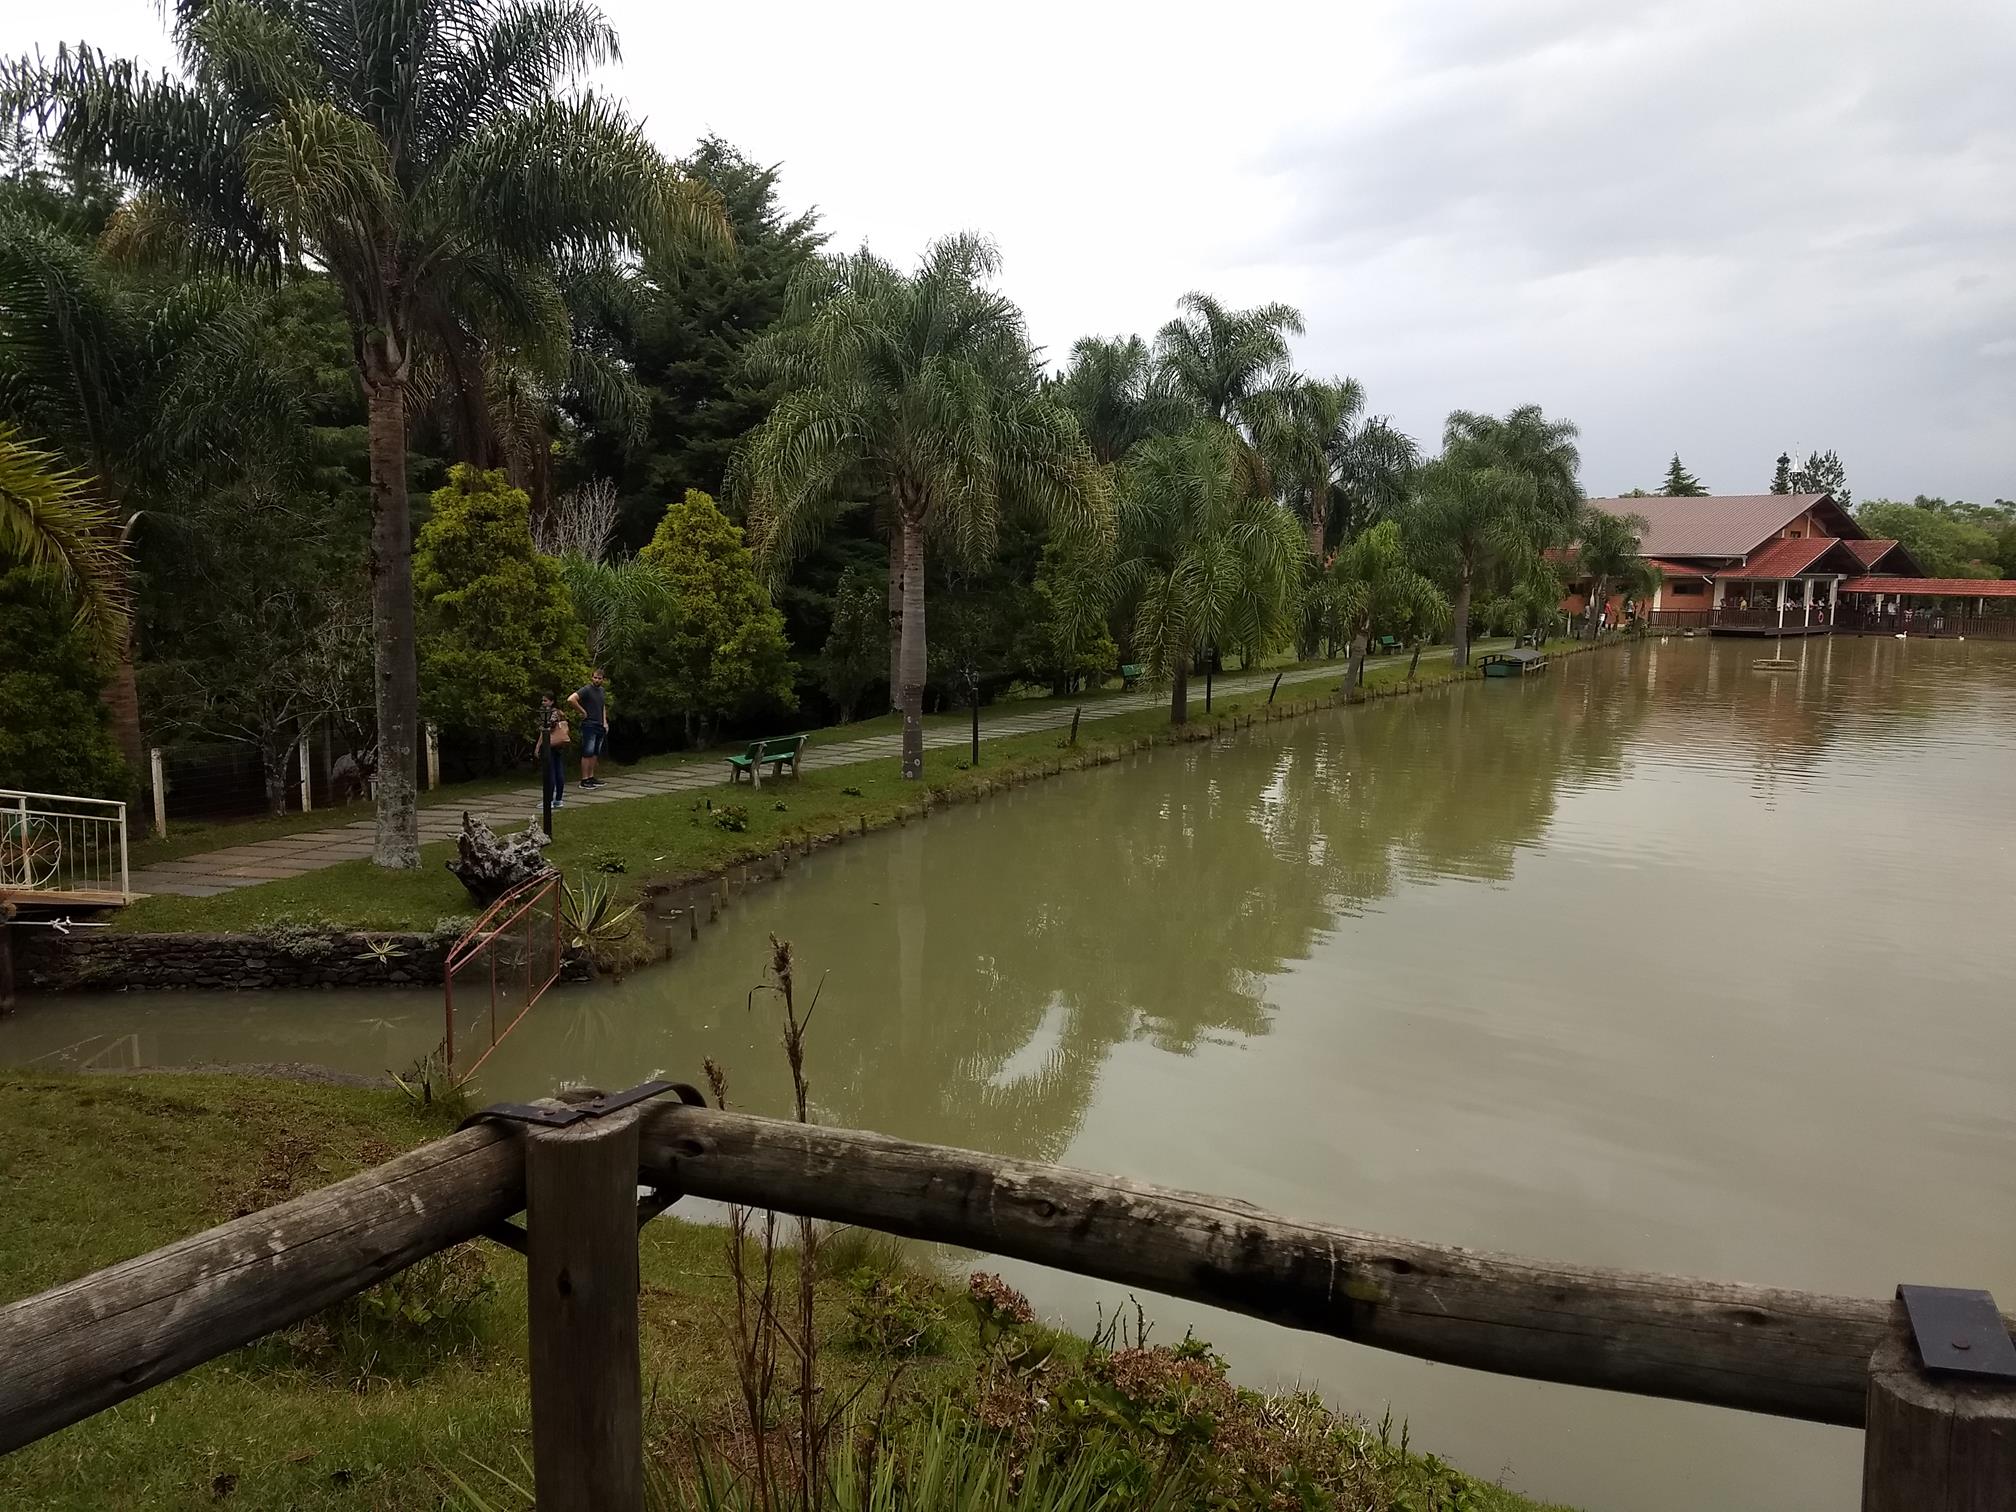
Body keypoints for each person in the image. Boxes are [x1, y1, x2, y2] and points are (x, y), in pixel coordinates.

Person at [568, 669, 609, 789]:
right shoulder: (586, 689)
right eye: (595, 677)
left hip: (599, 724)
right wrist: (582, 711)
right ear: (592, 678)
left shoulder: (601, 691)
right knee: (588, 752)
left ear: (603, 680)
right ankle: (584, 779)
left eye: (599, 678)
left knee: (595, 752)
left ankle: (591, 777)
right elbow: (571, 699)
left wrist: (604, 721)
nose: (597, 680)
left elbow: (602, 706)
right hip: (589, 724)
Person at [537, 693, 570, 810]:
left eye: (545, 701)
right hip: (559, 745)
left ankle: (549, 800)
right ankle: (558, 799)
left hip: (550, 745)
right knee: (558, 771)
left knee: (550, 773)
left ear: (552, 702)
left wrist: (538, 746)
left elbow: (546, 729)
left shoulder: (551, 714)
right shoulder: (561, 713)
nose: (543, 703)